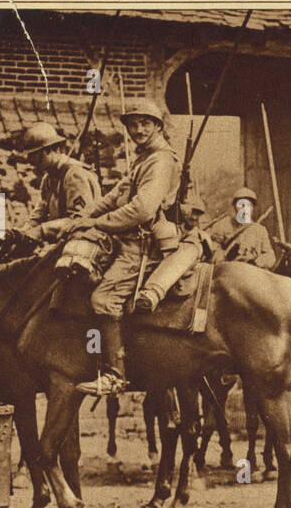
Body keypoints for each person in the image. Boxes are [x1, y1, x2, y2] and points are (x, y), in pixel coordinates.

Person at [42, 98, 184, 397]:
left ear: (158, 126)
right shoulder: (144, 159)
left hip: (143, 245)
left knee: (103, 299)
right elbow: (115, 195)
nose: (138, 129)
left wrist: (98, 224)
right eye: (133, 124)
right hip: (126, 237)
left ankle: (115, 374)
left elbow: (142, 209)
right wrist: (80, 219)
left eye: (145, 123)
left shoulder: (161, 160)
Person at [18, 122, 99, 222]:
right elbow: (39, 214)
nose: (30, 160)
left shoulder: (74, 175)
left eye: (34, 154)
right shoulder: (49, 178)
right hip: (60, 233)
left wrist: (41, 230)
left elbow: (78, 220)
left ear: (48, 150)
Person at [207, 186, 276, 268]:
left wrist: (254, 262)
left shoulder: (260, 230)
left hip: (253, 272)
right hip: (229, 271)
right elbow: (212, 251)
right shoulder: (222, 226)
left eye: (249, 205)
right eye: (241, 205)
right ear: (235, 207)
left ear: (253, 208)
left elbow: (270, 255)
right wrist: (225, 257)